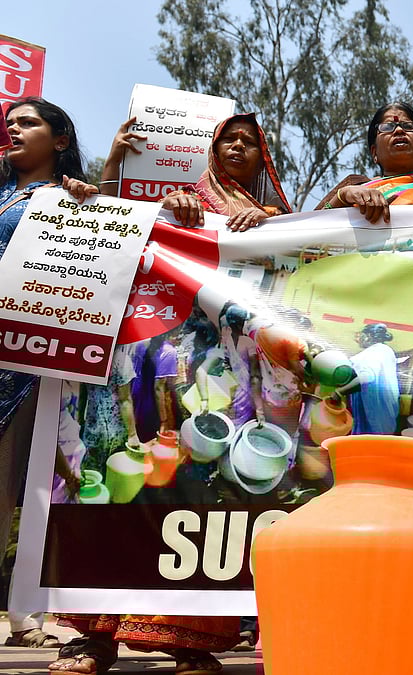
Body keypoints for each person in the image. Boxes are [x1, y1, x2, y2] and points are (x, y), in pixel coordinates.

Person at [1, 97, 97, 649]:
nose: (13, 129)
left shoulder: (73, 201)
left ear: (60, 141)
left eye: (28, 122)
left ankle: (27, 613)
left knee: (26, 485)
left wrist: (94, 190)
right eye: (9, 123)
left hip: (29, 364)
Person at [100, 113, 292, 230]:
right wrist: (162, 212)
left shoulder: (279, 217)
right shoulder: (181, 201)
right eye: (228, 139)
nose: (238, 146)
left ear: (262, 163)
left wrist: (269, 226)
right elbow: (116, 226)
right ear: (213, 153)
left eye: (249, 143)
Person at [319, 102, 413, 223]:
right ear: (374, 153)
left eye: (408, 126)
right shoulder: (357, 195)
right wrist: (342, 196)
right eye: (387, 127)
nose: (399, 131)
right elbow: (311, 238)